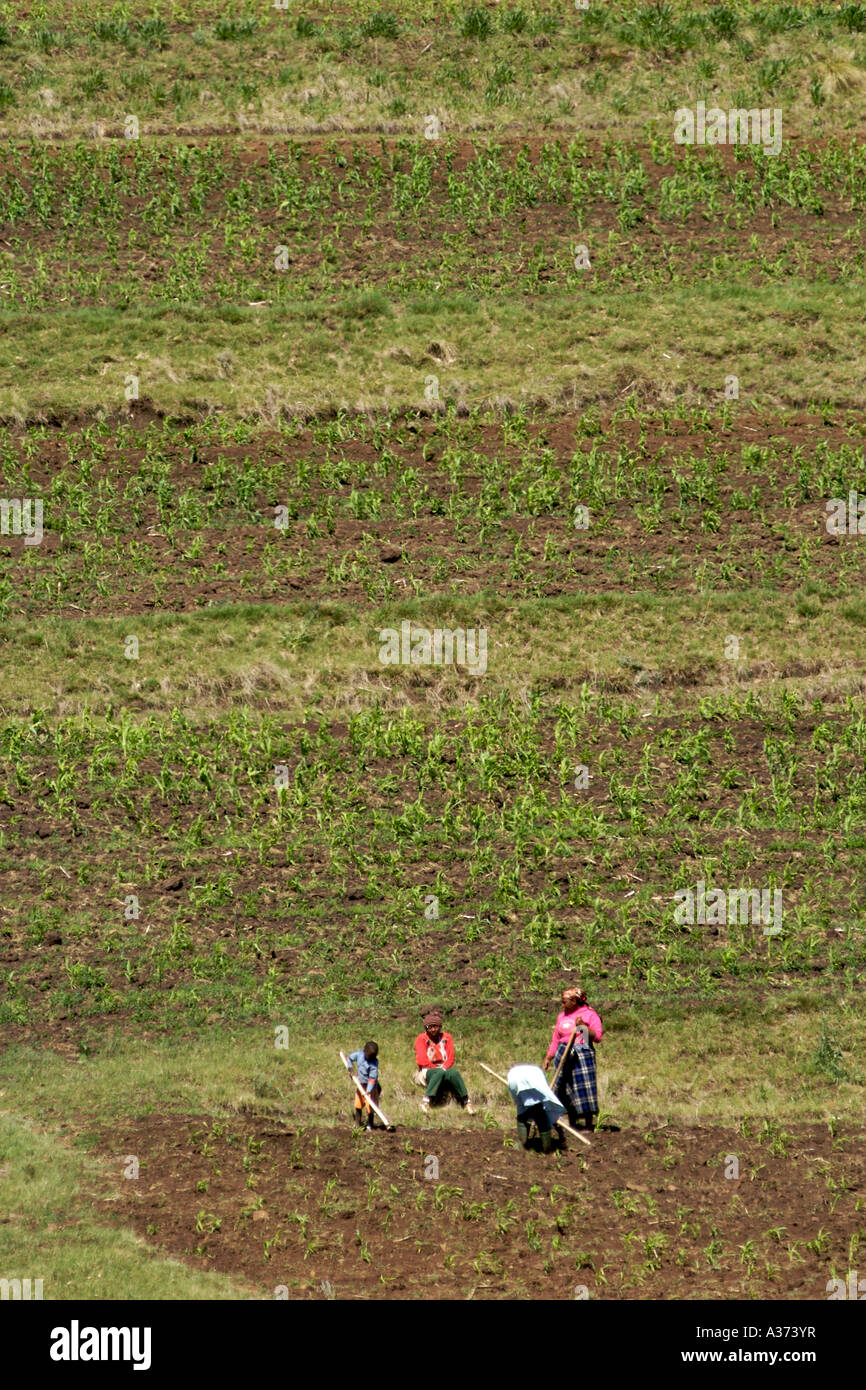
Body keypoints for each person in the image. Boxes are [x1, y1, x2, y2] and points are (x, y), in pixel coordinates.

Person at [543, 986, 602, 1130]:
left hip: (581, 1052)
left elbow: (598, 1037)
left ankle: (588, 1124)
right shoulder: (561, 1016)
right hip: (563, 1052)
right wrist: (548, 1057)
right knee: (563, 1088)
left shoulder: (589, 1015)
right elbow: (556, 1039)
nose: (562, 1005)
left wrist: (583, 1027)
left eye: (564, 1002)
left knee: (583, 1088)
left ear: (574, 1001)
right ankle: (571, 1122)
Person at [414, 1008, 476, 1114]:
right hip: (427, 1070)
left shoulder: (447, 1037)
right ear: (426, 1028)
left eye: (436, 1027)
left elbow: (450, 1058)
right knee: (439, 1072)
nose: (433, 1030)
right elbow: (422, 1060)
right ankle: (426, 1101)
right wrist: (439, 1069)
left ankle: (467, 1101)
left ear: (440, 1027)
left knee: (454, 1073)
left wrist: (443, 1068)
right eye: (430, 1027)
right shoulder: (421, 1038)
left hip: (444, 1067)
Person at [506, 1064, 566, 1153]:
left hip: (516, 1081)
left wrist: (521, 1105)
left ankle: (523, 1144)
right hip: (531, 1081)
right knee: (540, 1116)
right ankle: (546, 1148)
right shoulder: (536, 1071)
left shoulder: (514, 1073)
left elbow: (516, 1096)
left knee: (523, 1114)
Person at [346, 1041, 381, 1132]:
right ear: (364, 1051)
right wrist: (350, 1069)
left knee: (370, 1106)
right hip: (360, 1084)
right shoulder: (359, 1055)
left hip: (371, 1088)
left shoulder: (374, 1064)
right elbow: (349, 1058)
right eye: (368, 1056)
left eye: (372, 1057)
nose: (369, 1058)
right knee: (358, 1104)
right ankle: (357, 1124)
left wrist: (368, 1090)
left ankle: (370, 1124)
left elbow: (372, 1078)